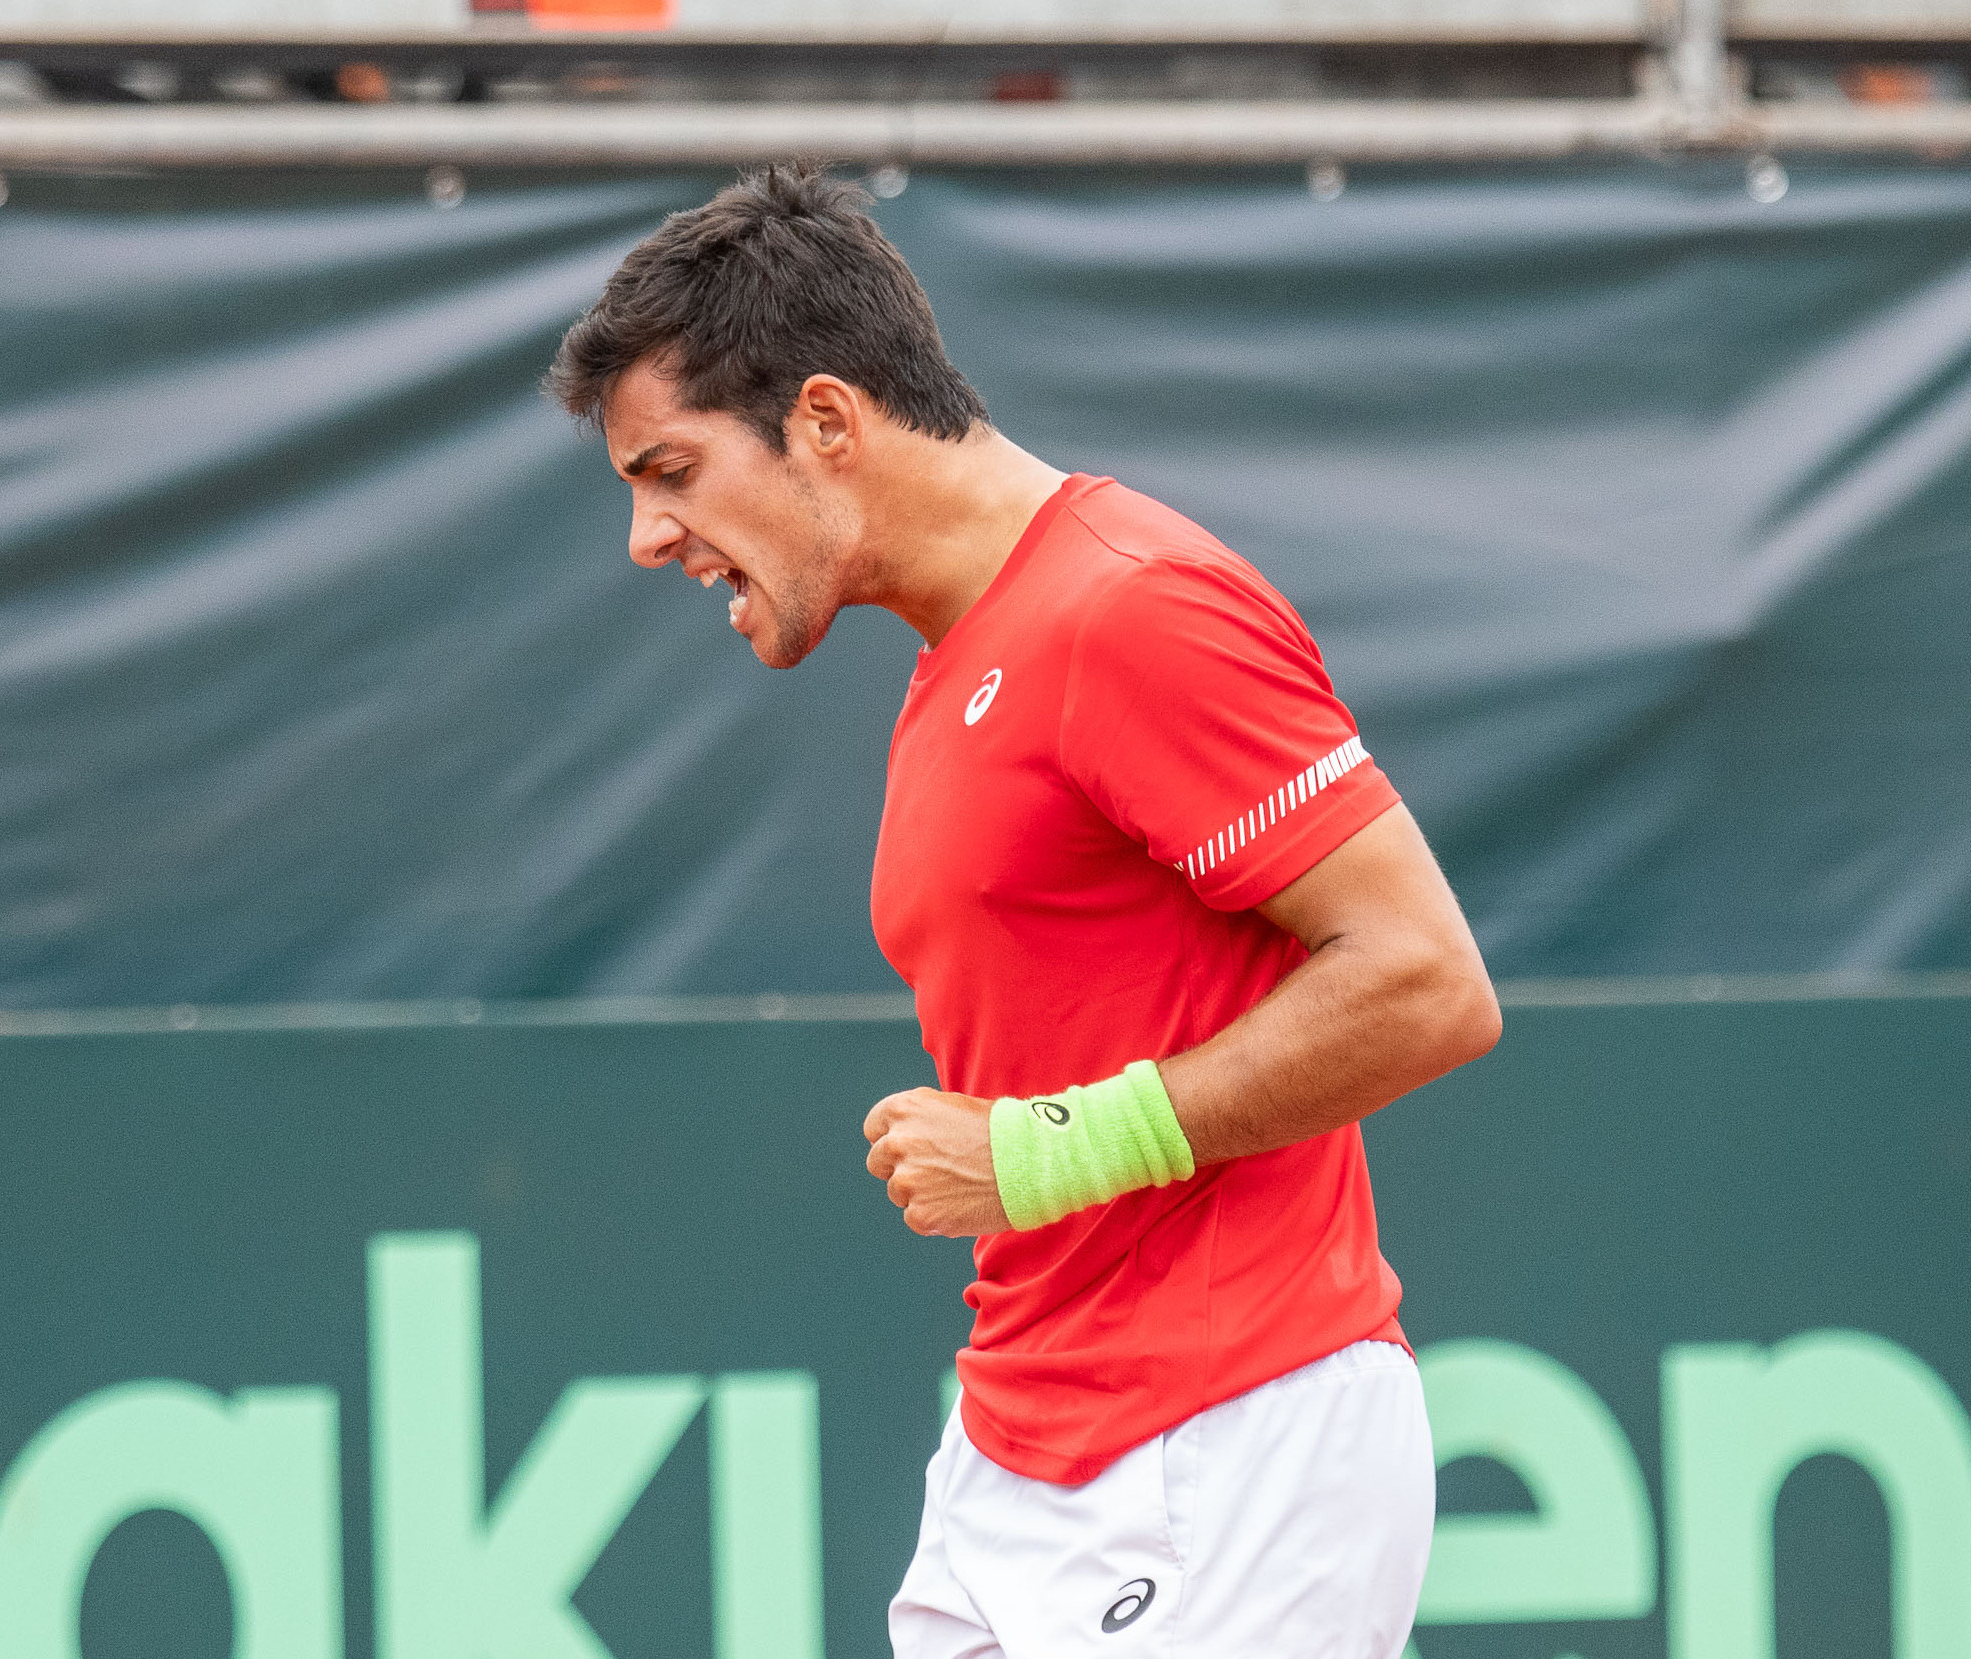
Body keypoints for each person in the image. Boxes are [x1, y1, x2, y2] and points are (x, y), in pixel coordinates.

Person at [548, 161, 1501, 1659]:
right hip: (1021, 1452)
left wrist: (1053, 1146)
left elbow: (1424, 983)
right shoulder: (961, 661)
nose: (647, 539)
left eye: (668, 472)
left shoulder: (1133, 608)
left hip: (1228, 1442)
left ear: (823, 422)